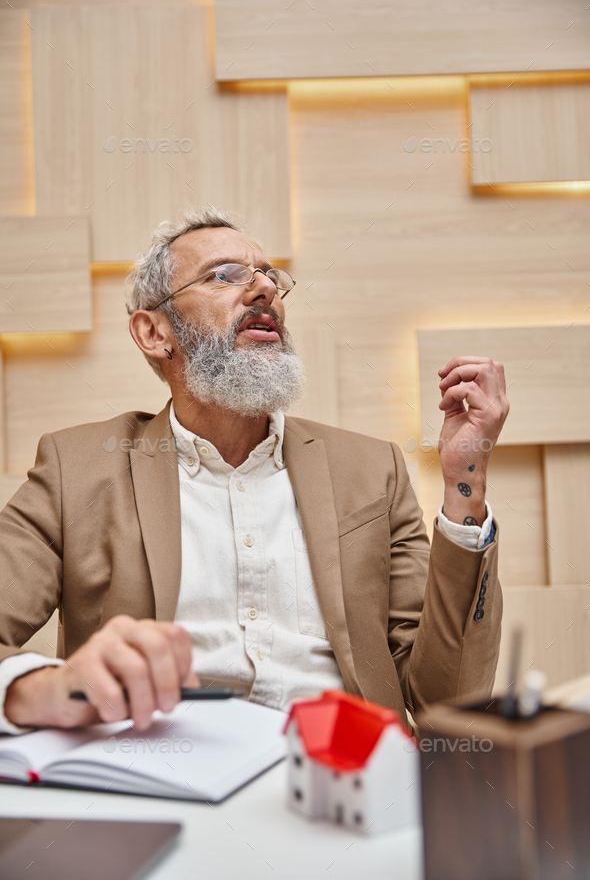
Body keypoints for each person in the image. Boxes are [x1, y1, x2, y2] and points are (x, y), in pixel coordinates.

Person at [0, 208, 509, 734]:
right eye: (224, 275)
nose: (263, 290)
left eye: (269, 276)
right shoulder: (77, 470)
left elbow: (447, 701)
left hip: (343, 777)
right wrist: (40, 687)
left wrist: (464, 484)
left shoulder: (370, 469)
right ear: (154, 332)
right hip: (158, 776)